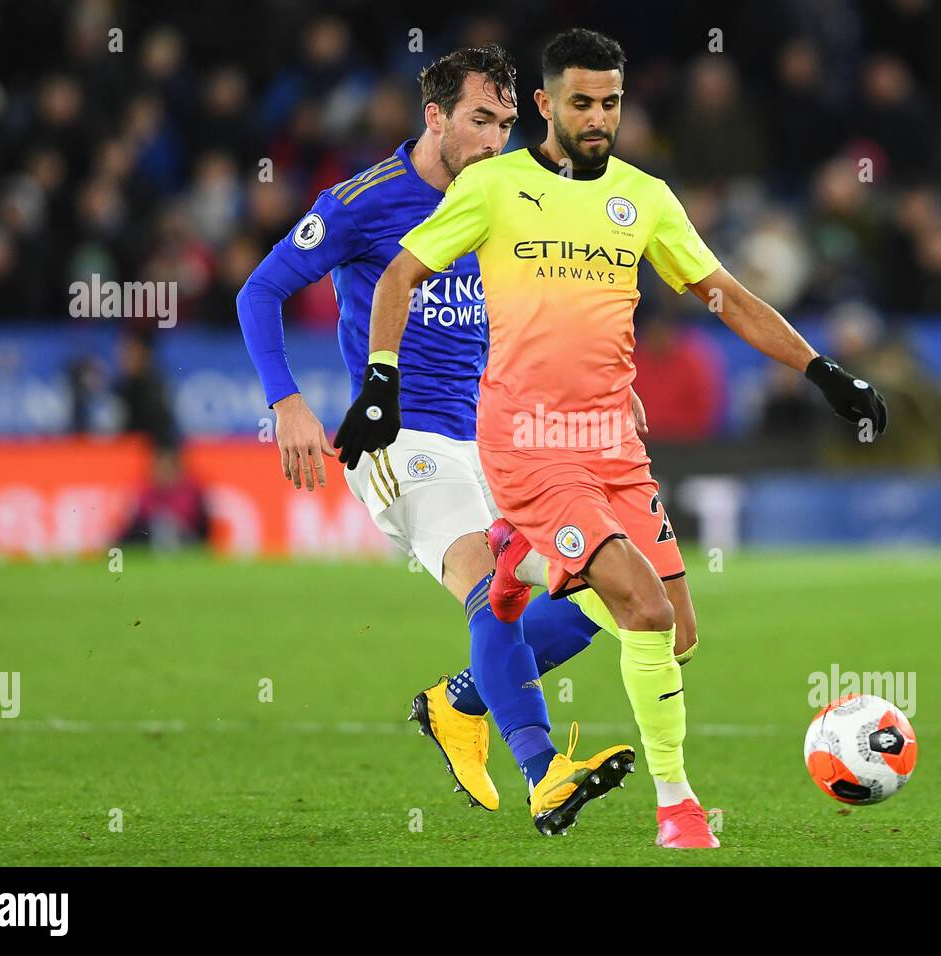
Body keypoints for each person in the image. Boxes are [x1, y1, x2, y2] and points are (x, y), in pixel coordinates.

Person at [338, 29, 888, 849]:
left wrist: (826, 375)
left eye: (611, 102)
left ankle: (491, 631)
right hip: (526, 443)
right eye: (582, 102)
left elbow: (729, 298)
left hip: (614, 450)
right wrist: (381, 381)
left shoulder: (646, 199)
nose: (598, 118)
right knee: (642, 603)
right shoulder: (496, 187)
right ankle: (678, 808)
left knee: (676, 631)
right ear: (546, 104)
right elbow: (399, 275)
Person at [236, 46, 638, 837]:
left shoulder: (518, 196)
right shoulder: (366, 200)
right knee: (495, 585)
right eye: (479, 122)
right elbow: (261, 290)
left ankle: (457, 704)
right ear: (435, 118)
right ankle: (545, 773)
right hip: (400, 440)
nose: (495, 141)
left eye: (505, 123)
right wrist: (286, 402)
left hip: (497, 441)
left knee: (606, 598)